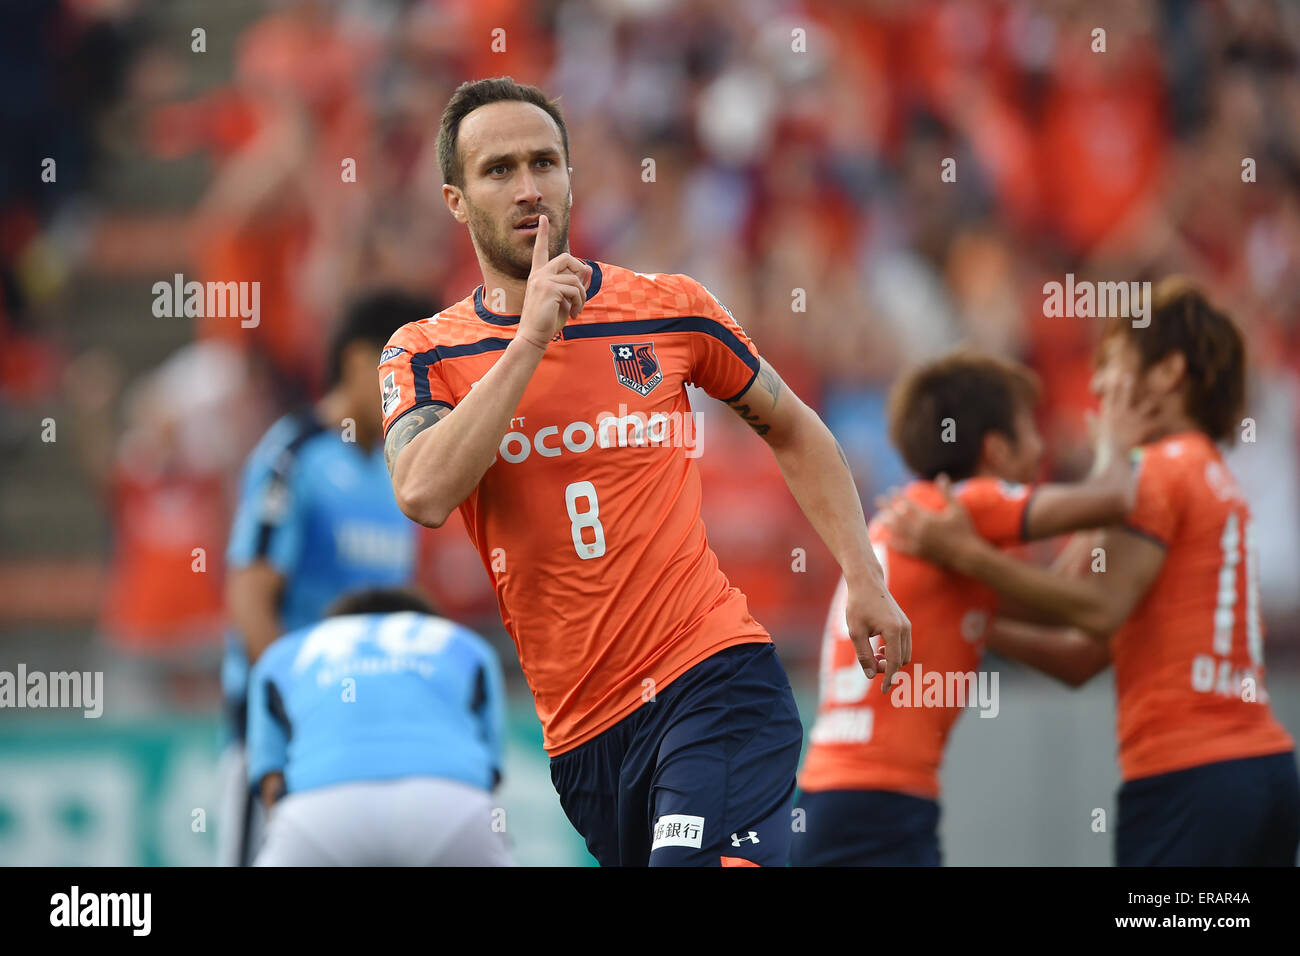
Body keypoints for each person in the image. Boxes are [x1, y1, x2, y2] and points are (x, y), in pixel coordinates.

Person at [379, 76, 910, 867]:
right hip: (583, 734)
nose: (529, 189)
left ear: (570, 175)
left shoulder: (668, 309)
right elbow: (422, 490)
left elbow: (797, 430)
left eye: (545, 163)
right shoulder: (424, 352)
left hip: (711, 672)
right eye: (499, 171)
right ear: (456, 200)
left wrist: (864, 576)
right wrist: (528, 343)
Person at [881, 280, 1299, 866]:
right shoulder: (1209, 471)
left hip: (1189, 778)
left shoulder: (1153, 471)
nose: (1098, 384)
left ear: (1167, 373)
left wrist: (967, 557)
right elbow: (1085, 655)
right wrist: (968, 611)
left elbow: (1097, 606)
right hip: (1261, 770)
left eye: (1113, 364)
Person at [792, 349, 1149, 866]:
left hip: (829, 795)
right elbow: (1116, 496)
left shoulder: (913, 526)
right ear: (996, 450)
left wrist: (977, 622)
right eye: (1031, 430)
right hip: (884, 803)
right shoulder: (969, 504)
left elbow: (1058, 608)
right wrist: (1115, 443)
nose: (1042, 446)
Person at [218, 289, 431, 866]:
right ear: (362, 362)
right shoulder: (293, 456)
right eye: (408, 371)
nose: (419, 392)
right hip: (283, 733)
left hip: (366, 737)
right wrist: (299, 704)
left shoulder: (401, 471)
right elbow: (251, 598)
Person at [247, 587, 512, 866]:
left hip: (319, 812)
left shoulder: (285, 653)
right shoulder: (467, 645)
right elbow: (489, 774)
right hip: (450, 807)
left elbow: (272, 784)